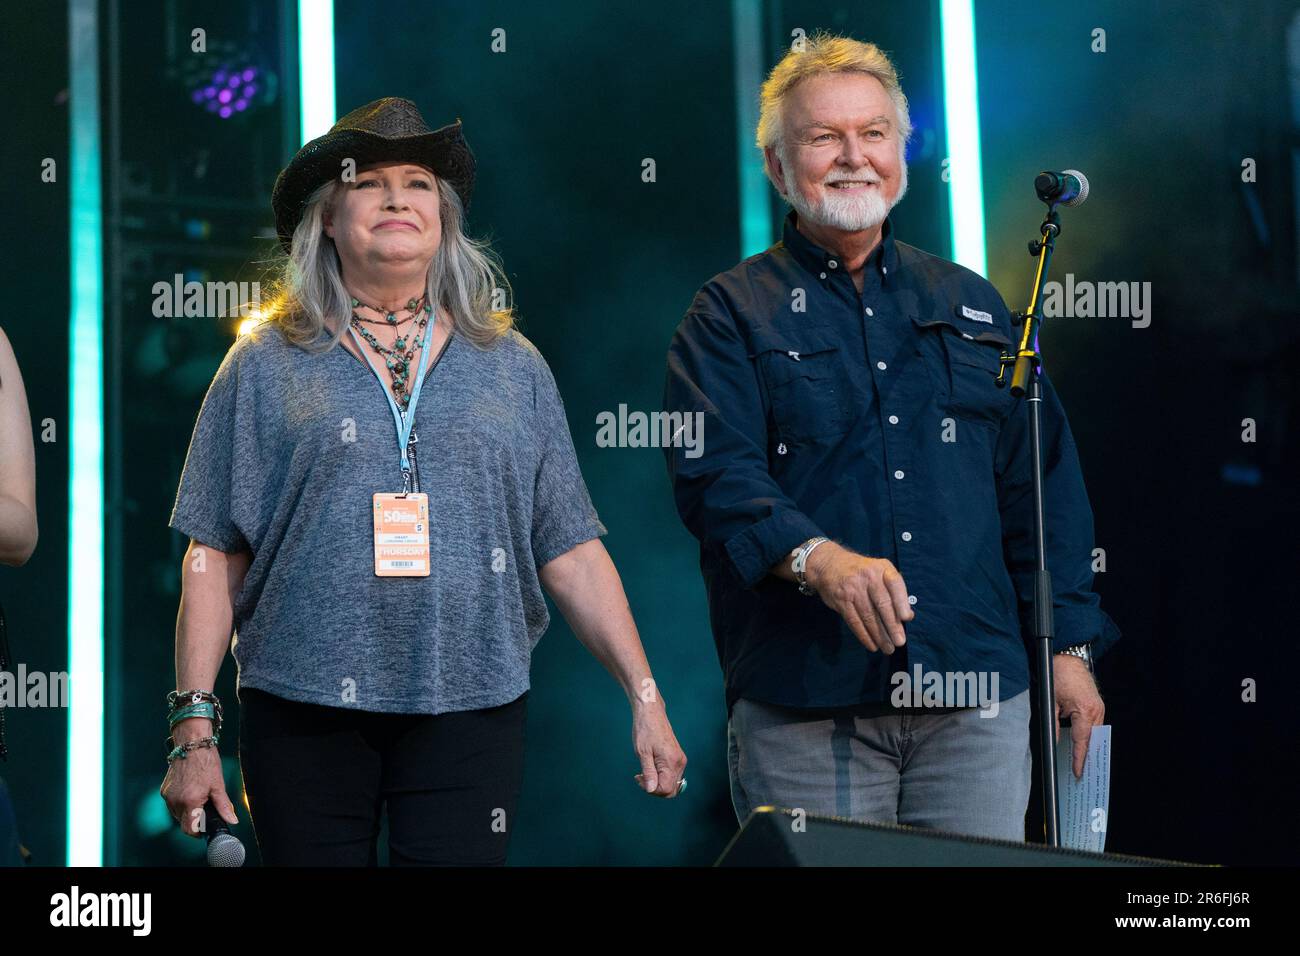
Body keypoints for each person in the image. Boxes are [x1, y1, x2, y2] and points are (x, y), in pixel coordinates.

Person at [161, 97, 686, 866]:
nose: (399, 196)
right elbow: (211, 552)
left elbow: (571, 550)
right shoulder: (266, 363)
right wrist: (192, 732)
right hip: (302, 708)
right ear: (328, 221)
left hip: (472, 707)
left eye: (418, 183)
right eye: (369, 182)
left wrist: (647, 699)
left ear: (445, 221)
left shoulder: (513, 366)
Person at [662, 34, 1119, 842]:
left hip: (978, 699)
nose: (853, 156)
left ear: (903, 155)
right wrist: (819, 559)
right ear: (776, 164)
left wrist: (1071, 647)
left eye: (873, 133)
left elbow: (1040, 488)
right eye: (822, 137)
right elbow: (714, 475)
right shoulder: (729, 312)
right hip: (807, 699)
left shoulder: (973, 303)